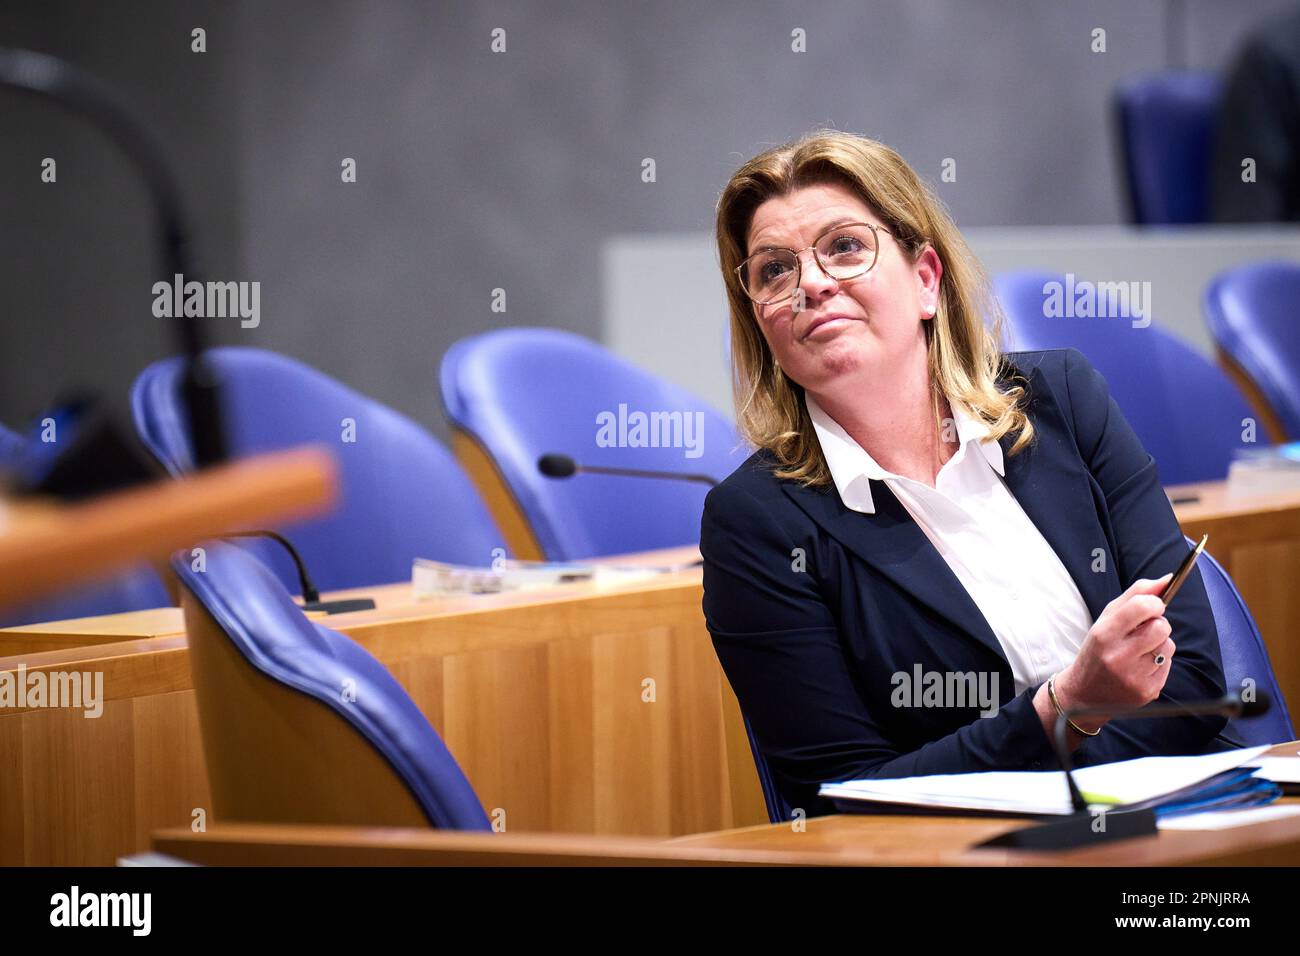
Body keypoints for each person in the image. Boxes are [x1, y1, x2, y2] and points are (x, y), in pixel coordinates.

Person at [703, 129, 1234, 817]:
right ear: (761, 321)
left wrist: (1073, 778)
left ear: (925, 280)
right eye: (774, 270)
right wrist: (1065, 709)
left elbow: (1190, 681)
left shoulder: (1062, 403)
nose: (811, 284)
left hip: (1185, 820)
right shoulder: (757, 523)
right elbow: (842, 801)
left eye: (844, 247)